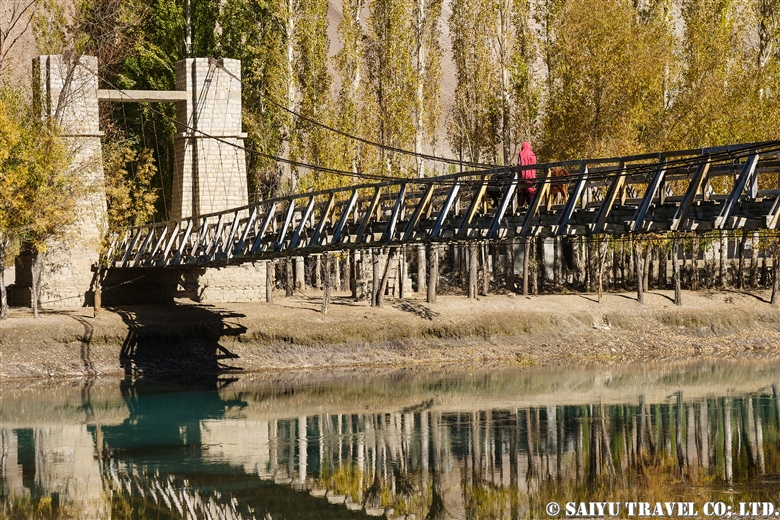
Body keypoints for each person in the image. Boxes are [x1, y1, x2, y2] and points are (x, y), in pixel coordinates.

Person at [517, 141, 537, 206]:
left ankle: (520, 207)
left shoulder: (521, 154)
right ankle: (531, 209)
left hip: (522, 179)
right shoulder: (532, 154)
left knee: (521, 194)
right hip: (531, 179)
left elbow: (519, 164)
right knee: (531, 197)